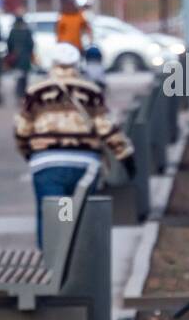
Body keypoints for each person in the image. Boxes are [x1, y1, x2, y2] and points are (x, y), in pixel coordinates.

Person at [14, 42, 133, 248]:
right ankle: (71, 261)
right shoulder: (91, 90)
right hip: (83, 164)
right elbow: (106, 128)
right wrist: (125, 156)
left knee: (51, 216)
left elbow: (22, 130)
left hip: (48, 164)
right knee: (68, 215)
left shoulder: (36, 91)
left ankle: (53, 264)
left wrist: (29, 153)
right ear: (77, 64)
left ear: (53, 63)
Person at [6, 12, 35, 100]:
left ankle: (18, 93)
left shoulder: (13, 31)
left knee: (18, 76)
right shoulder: (27, 31)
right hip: (25, 58)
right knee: (25, 77)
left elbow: (9, 44)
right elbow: (31, 44)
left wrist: (11, 53)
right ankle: (23, 93)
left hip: (16, 58)